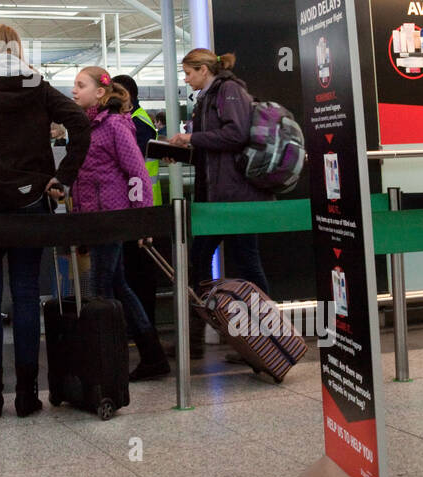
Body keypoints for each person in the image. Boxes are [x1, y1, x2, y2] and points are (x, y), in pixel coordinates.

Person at [0, 24, 90, 418]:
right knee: (26, 297)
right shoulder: (38, 88)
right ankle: (27, 394)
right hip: (30, 206)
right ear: (19, 50)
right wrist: (65, 176)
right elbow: (80, 122)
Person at [169, 48, 273, 361]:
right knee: (204, 263)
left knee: (244, 265)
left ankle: (263, 339)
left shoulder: (228, 91)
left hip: (236, 196)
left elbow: (236, 134)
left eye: (189, 73)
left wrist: (192, 140)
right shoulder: (209, 96)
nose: (186, 80)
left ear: (203, 69)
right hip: (218, 196)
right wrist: (181, 149)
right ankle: (199, 340)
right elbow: (217, 145)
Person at [70, 67, 170, 381]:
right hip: (95, 220)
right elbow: (83, 178)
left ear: (100, 92)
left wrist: (140, 221)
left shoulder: (114, 126)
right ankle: (151, 354)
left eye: (80, 85)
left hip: (112, 219)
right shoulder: (86, 127)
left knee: (102, 290)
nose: (74, 90)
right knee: (117, 286)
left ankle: (106, 363)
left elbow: (137, 172)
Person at [111, 74, 163, 329]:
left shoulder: (137, 123)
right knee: (130, 271)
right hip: (136, 205)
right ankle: (140, 327)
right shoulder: (128, 120)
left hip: (142, 207)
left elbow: (131, 166)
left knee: (139, 272)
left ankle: (145, 327)